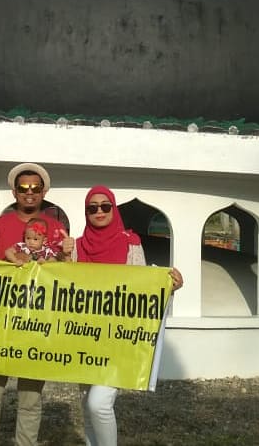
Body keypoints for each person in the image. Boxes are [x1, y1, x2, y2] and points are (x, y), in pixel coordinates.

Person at [71, 185, 183, 446]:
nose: (99, 211)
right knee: (87, 405)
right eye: (92, 208)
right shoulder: (76, 247)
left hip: (117, 341)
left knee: (99, 404)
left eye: (105, 206)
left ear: (113, 208)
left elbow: (141, 289)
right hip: (82, 338)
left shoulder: (130, 243)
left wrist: (168, 287)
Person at [0, 162, 73, 446]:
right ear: (14, 191)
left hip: (37, 323)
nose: (29, 193)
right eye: (23, 188)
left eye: (35, 188)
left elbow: (66, 275)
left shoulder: (56, 229)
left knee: (31, 399)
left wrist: (65, 256)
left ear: (44, 192)